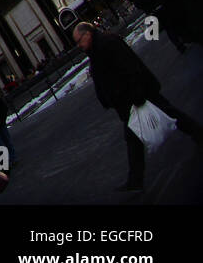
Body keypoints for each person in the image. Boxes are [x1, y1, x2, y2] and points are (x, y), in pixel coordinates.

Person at [72, 21, 203, 191]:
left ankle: (136, 179)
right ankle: (135, 179)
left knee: (164, 116)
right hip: (130, 97)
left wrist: (136, 94)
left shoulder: (107, 43)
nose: (79, 46)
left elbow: (129, 67)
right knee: (141, 131)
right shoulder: (97, 47)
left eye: (79, 40)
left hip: (136, 95)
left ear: (87, 34)